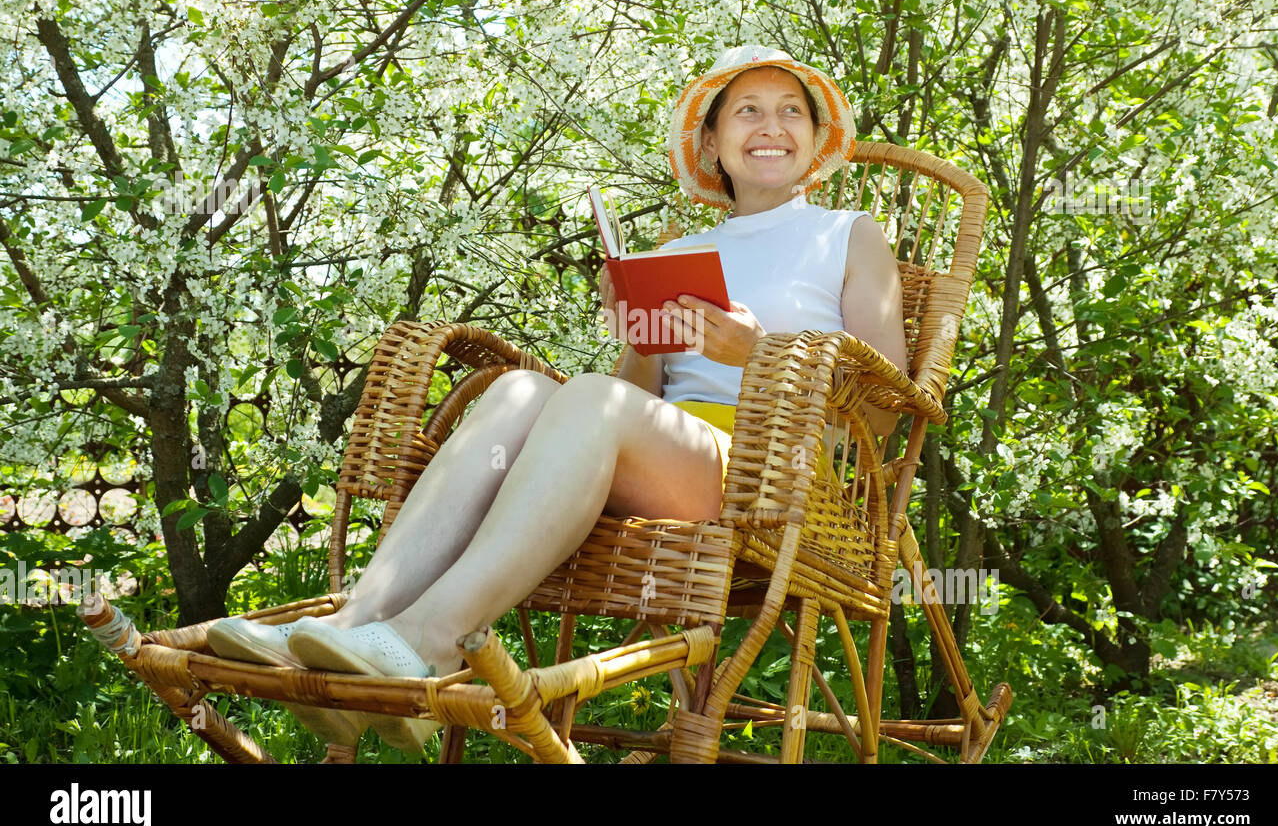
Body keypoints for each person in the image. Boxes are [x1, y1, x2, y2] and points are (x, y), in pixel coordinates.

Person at [206, 44, 907, 754]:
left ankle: (430, 640)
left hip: (779, 473)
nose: (771, 126)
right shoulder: (675, 255)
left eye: (792, 111)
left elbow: (885, 408)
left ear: (817, 140)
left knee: (589, 398)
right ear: (712, 143)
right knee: (520, 389)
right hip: (675, 459)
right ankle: (354, 623)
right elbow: (637, 400)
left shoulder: (848, 236)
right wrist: (640, 334)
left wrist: (758, 357)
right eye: (748, 110)